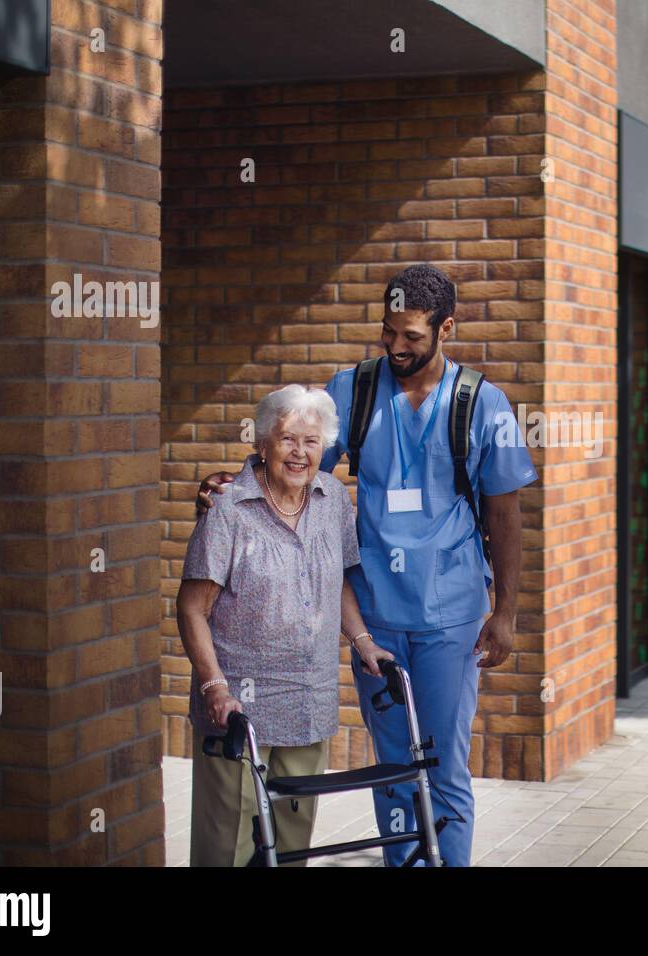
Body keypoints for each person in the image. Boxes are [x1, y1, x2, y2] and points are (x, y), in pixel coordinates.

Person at [197, 264, 537, 867]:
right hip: (373, 616)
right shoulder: (352, 388)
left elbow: (506, 515)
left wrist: (505, 612)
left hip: (448, 613)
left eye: (411, 336)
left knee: (440, 760)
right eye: (388, 332)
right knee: (392, 765)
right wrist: (234, 480)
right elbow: (293, 465)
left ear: (446, 328)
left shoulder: (483, 404)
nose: (396, 347)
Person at [178, 384, 394, 866]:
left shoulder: (333, 497)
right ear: (262, 444)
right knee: (225, 844)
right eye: (287, 439)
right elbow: (192, 608)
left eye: (311, 441)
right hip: (237, 707)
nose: (299, 452)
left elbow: (335, 579)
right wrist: (214, 687)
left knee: (290, 846)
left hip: (306, 698)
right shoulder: (228, 509)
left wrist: (363, 642)